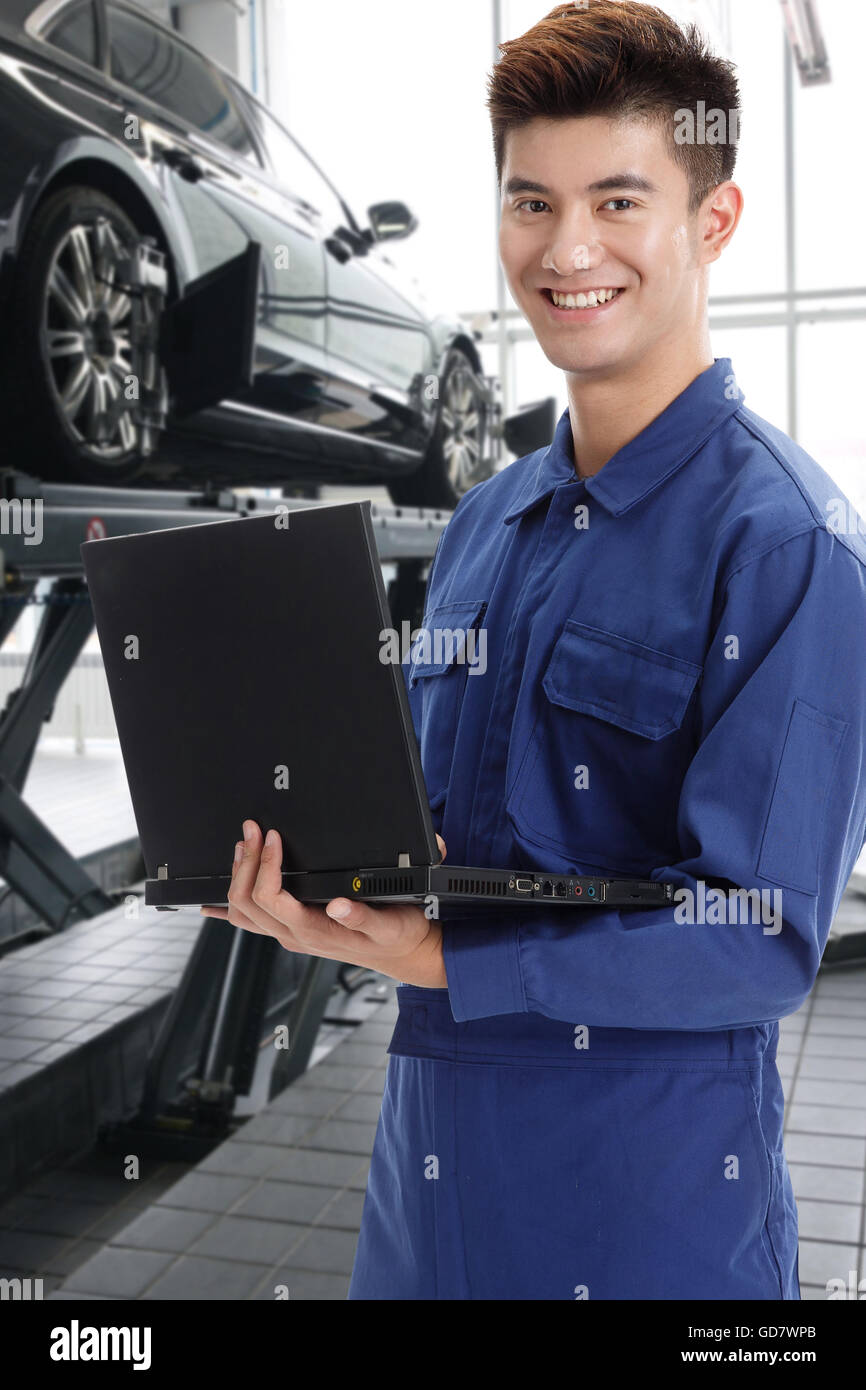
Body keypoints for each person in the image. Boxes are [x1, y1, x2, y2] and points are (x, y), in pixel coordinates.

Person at [208, 1, 866, 1299]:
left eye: (618, 201)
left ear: (710, 223)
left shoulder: (789, 548)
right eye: (529, 203)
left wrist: (442, 954)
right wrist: (334, 884)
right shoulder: (487, 523)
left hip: (643, 1204)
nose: (566, 249)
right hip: (426, 1180)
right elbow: (453, 847)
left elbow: (758, 938)